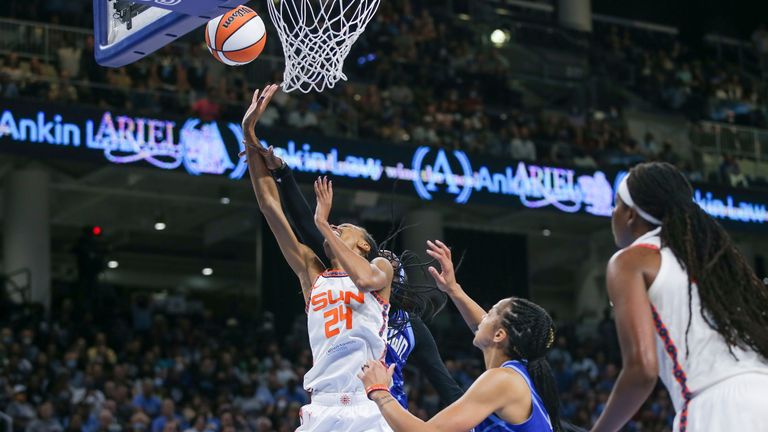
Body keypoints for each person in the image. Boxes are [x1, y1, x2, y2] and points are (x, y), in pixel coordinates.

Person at [252, 141, 463, 410]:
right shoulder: (332, 273)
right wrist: (277, 168)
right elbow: (299, 222)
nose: (335, 227)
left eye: (389, 266)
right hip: (329, 401)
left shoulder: (402, 315)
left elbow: (445, 384)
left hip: (381, 409)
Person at [240, 84, 394, 431]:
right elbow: (269, 207)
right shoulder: (313, 272)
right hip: (322, 407)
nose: (338, 227)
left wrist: (323, 224)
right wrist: (248, 134)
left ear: (365, 246)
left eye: (346, 227)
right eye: (335, 226)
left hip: (367, 404)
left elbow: (366, 280)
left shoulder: (380, 266)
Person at [591, 162, 768, 432]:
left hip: (716, 409)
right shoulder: (715, 263)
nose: (612, 213)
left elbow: (643, 369)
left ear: (630, 215)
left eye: (616, 205)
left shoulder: (629, 261)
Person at [360, 240, 563, 432]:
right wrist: (453, 289)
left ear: (500, 335)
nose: (482, 317)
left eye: (490, 312)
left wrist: (379, 392)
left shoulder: (503, 380)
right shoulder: (520, 372)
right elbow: (481, 324)